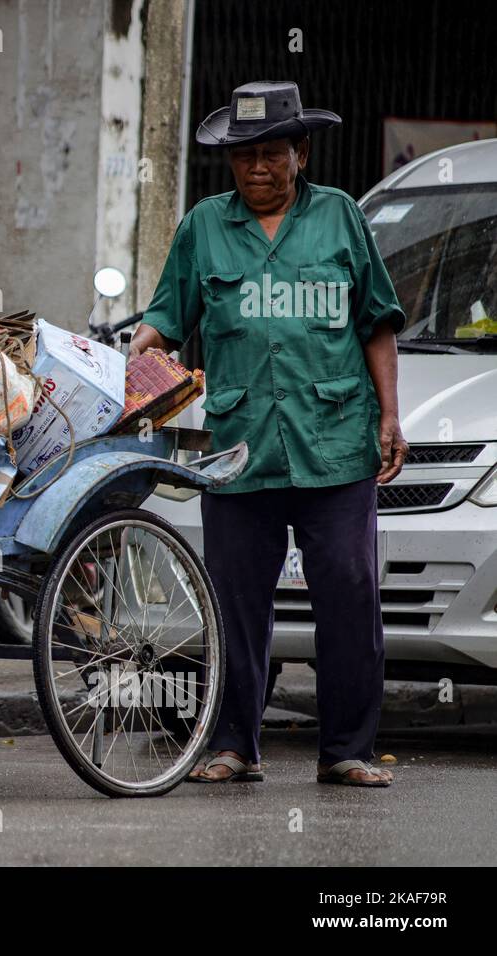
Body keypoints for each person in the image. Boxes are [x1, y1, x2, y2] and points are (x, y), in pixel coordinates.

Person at [130, 81, 408, 786]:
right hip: (240, 445)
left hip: (335, 440)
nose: (257, 168)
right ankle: (233, 745)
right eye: (243, 156)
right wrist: (138, 355)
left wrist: (390, 415)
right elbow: (166, 315)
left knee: (348, 591)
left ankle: (346, 749)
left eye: (271, 154)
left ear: (300, 153)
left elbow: (376, 320)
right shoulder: (203, 228)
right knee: (234, 601)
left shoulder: (342, 218)